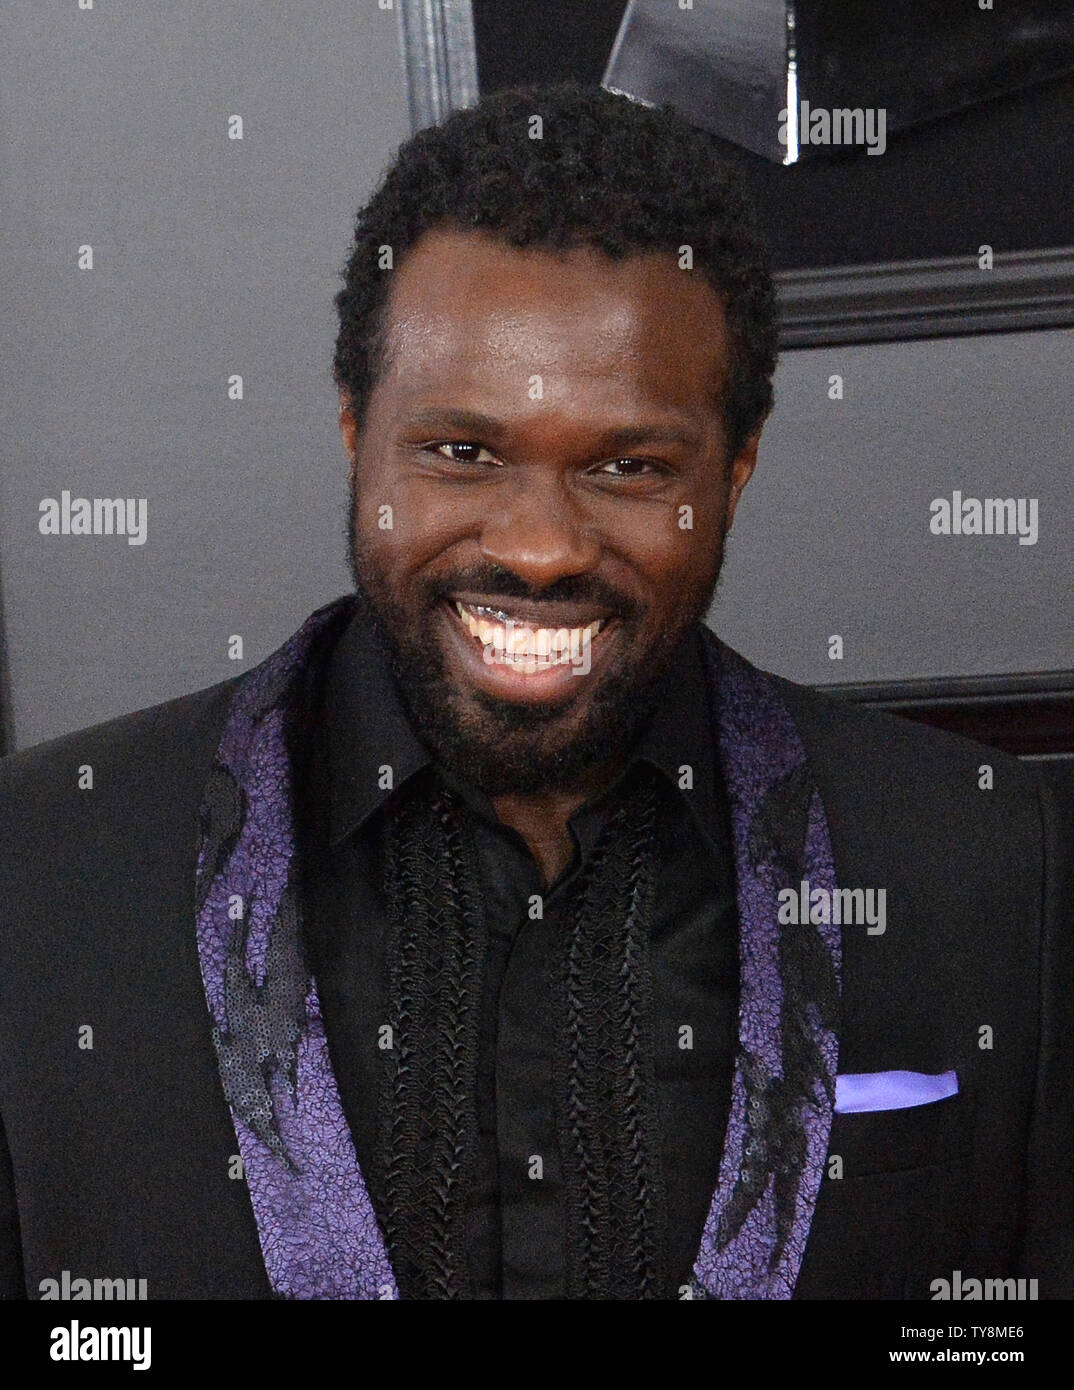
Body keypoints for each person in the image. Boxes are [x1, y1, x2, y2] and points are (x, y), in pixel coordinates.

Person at [1, 83, 1071, 1302]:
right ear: (356, 432)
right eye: (462, 452)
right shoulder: (41, 869)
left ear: (738, 469)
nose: (544, 545)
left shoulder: (983, 861)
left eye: (627, 465)